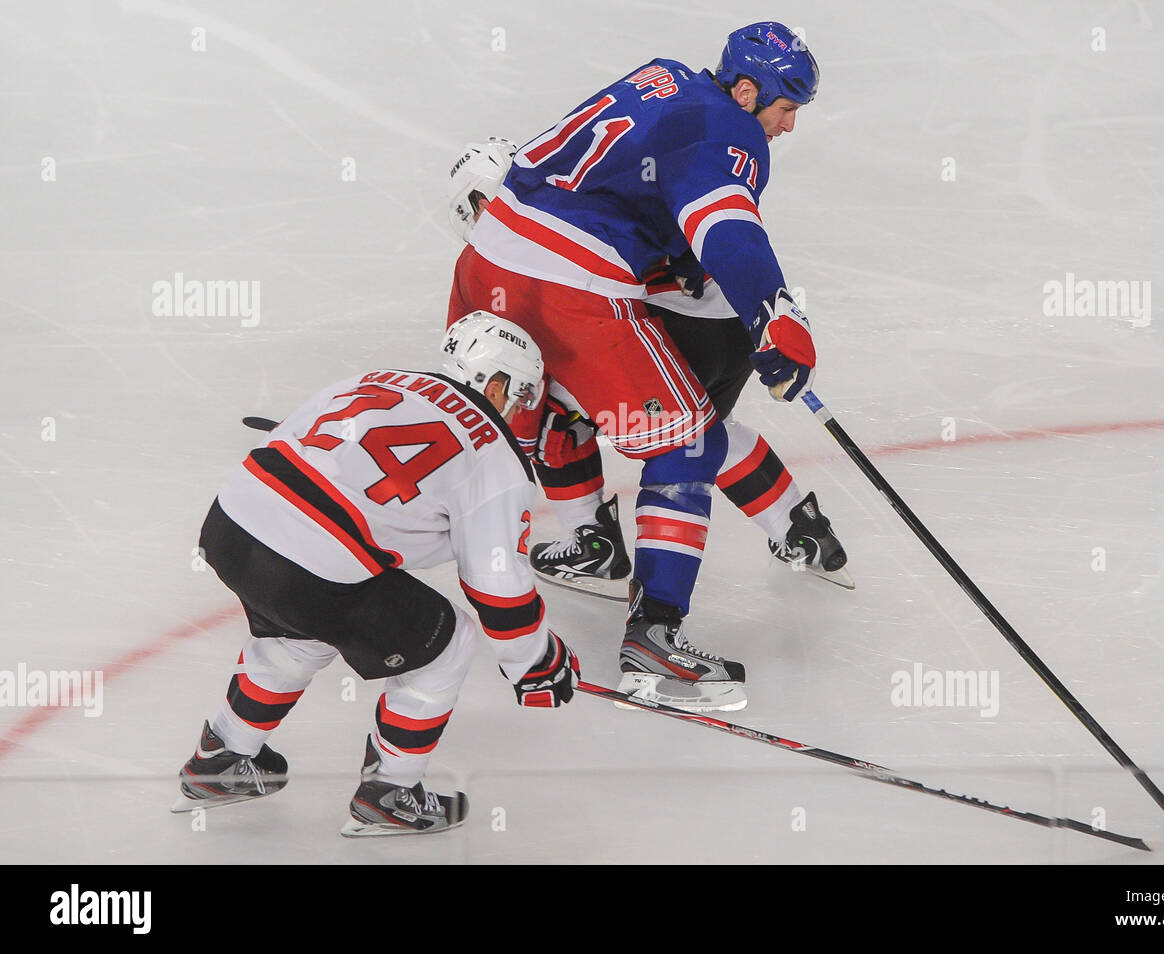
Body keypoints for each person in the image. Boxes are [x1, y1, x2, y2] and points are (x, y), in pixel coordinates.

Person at [446, 22, 825, 711]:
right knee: (691, 438)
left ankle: (585, 539)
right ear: (747, 91)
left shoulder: (662, 75)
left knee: (540, 405)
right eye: (784, 107)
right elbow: (727, 229)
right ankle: (654, 639)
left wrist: (659, 244)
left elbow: (612, 170)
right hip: (570, 287)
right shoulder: (730, 132)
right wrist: (775, 315)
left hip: (486, 259)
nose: (788, 125)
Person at [175, 313, 579, 837]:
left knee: (303, 631)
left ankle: (224, 756)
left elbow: (289, 432)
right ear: (495, 381)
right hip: (312, 562)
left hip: (231, 523)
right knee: (448, 641)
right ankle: (392, 792)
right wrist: (535, 661)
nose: (518, 410)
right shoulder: (495, 457)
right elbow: (496, 584)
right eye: (519, 395)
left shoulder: (379, 379)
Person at [448, 141, 852, 594]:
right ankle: (800, 528)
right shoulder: (586, 181)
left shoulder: (493, 257)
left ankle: (592, 543)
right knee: (705, 427)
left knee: (552, 417)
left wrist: (514, 447)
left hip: (677, 329)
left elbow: (498, 372)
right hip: (736, 324)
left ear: (482, 202)